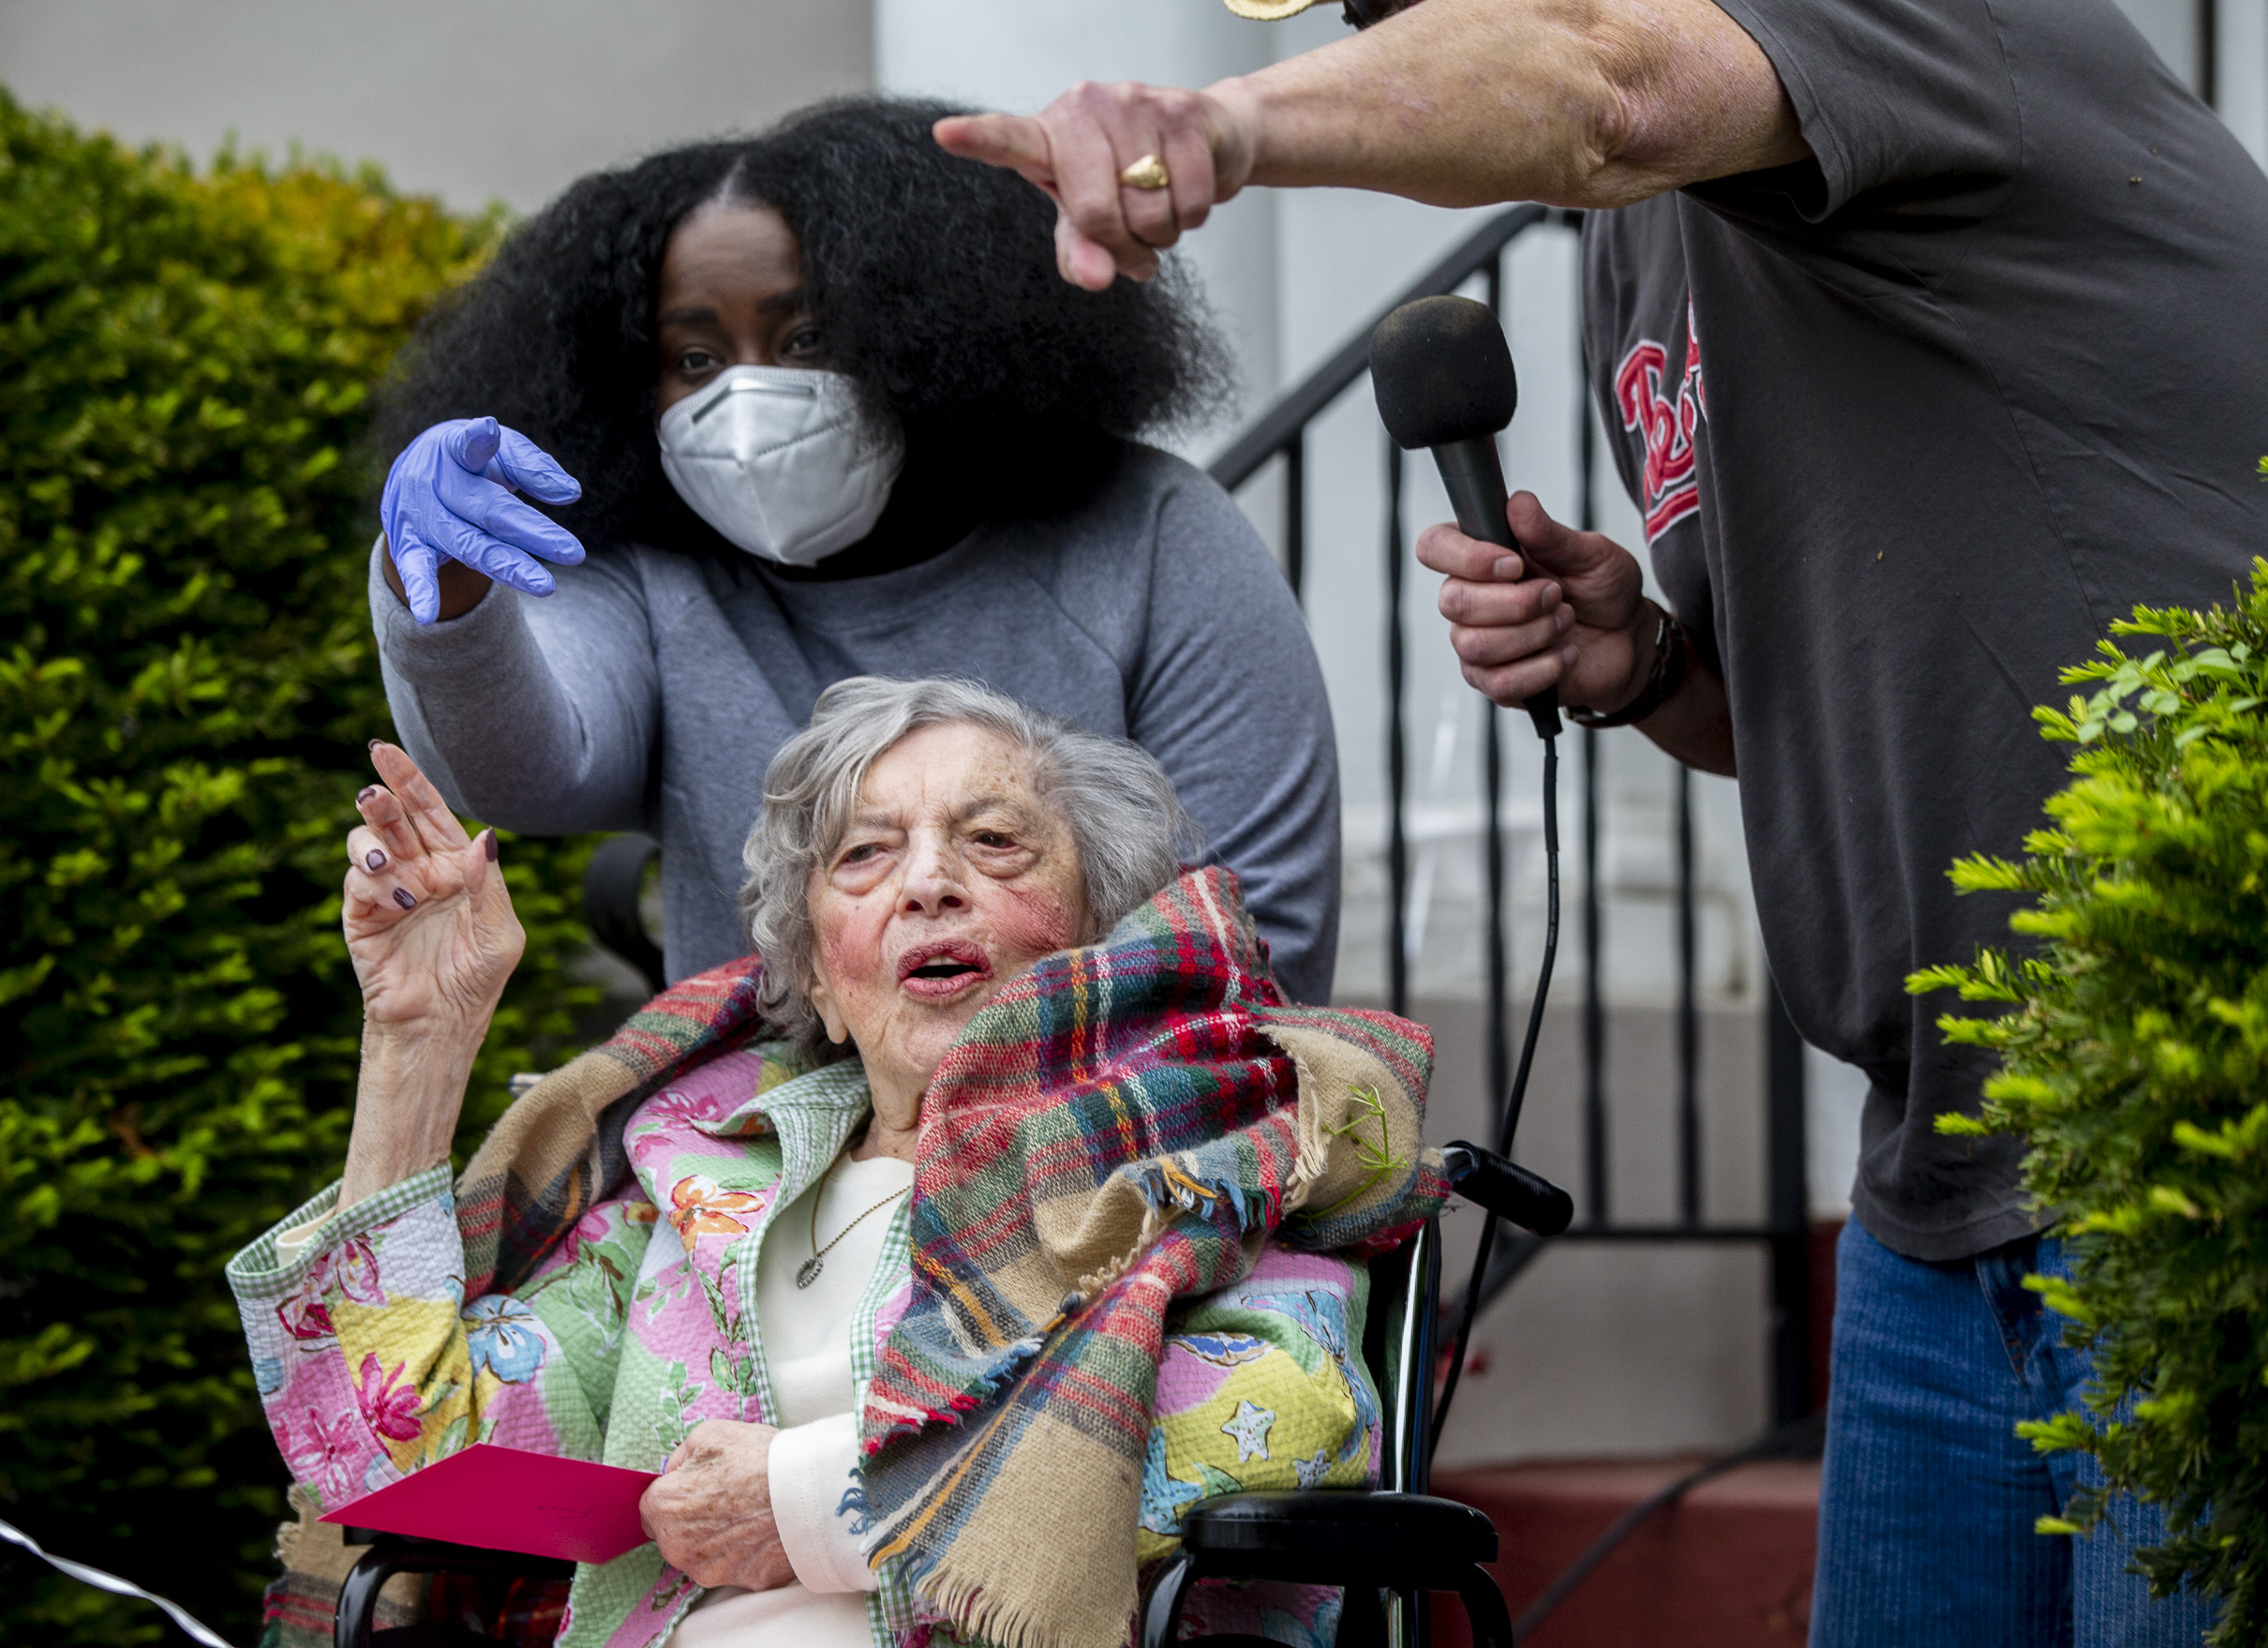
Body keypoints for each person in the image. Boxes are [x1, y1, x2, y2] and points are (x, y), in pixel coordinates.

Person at [935, 0, 2268, 1642]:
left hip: (2206, 1104)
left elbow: (1605, 85)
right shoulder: (1636, 249)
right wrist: (1639, 663)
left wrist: (1222, 129)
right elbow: (1786, 697)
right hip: (1941, 1150)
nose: (1396, 28)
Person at [229, 676, 1440, 1648]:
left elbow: (1275, 1413)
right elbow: (407, 1455)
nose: (928, 883)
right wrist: (418, 1042)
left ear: (1095, 932)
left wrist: (817, 1503)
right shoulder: (695, 1184)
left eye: (997, 842)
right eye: (865, 854)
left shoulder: (1199, 1137)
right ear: (816, 972)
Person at [365, 97, 1340, 1005]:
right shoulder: (650, 563)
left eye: (805, 339)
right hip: (753, 1161)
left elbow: (1257, 944)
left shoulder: (1151, 537)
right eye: (695, 359)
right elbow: (523, 772)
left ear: (933, 333)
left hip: (1116, 1134)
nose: (747, 403)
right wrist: (447, 591)